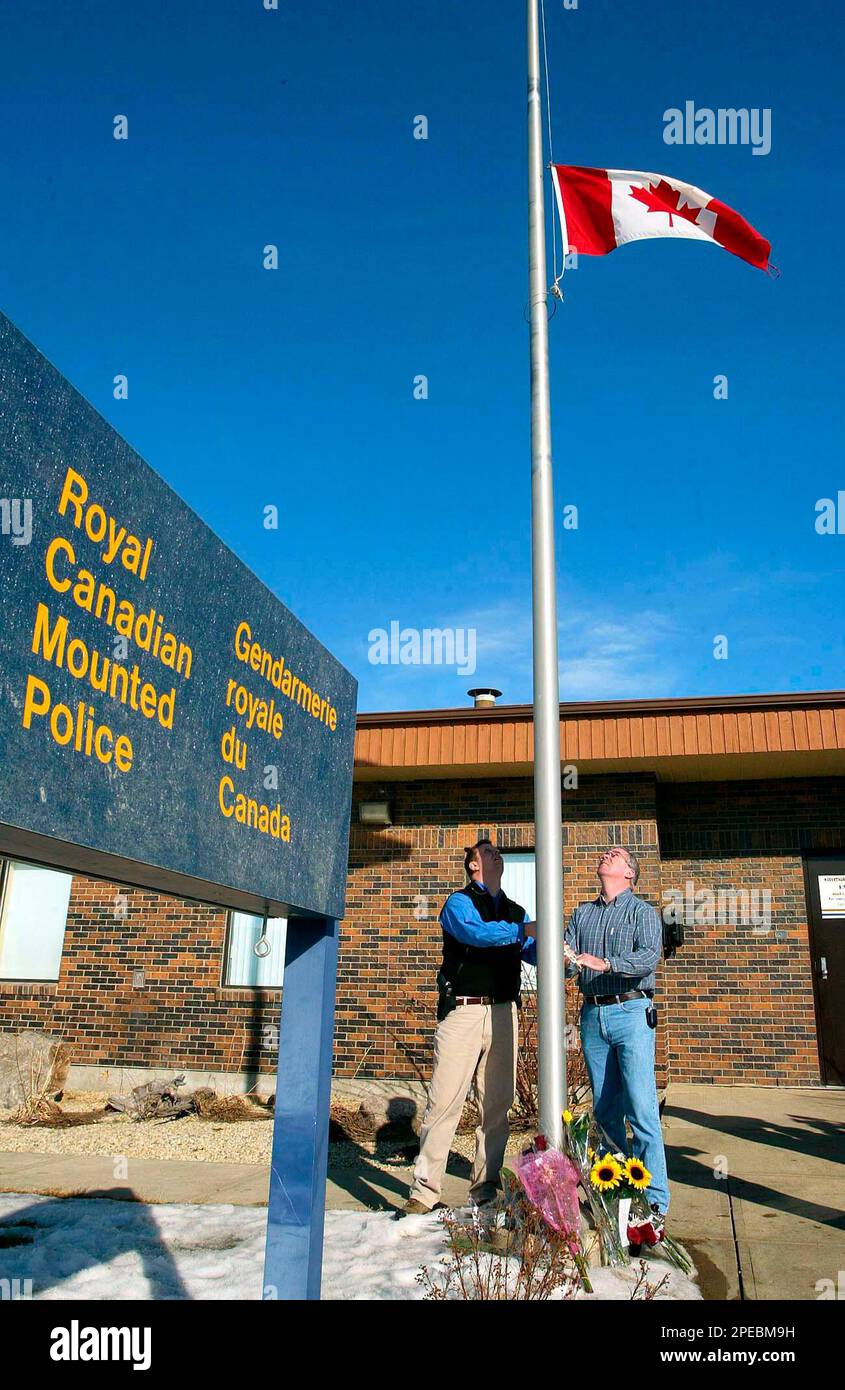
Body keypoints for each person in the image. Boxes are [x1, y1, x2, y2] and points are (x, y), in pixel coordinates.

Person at [400, 839, 536, 1216]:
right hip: (463, 1012)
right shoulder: (458, 904)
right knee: (445, 1102)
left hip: (504, 1012)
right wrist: (524, 931)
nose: (496, 855)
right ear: (474, 866)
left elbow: (531, 952)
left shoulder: (514, 911)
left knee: (496, 1106)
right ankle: (424, 1192)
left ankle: (485, 1189)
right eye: (487, 852)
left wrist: (562, 950)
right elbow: (476, 934)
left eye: (497, 853)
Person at [567, 845, 669, 1237]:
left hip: (631, 1013)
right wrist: (557, 956)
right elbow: (566, 961)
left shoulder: (642, 913)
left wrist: (606, 963)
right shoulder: (582, 913)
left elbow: (647, 959)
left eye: (617, 854)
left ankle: (655, 1203)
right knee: (605, 1111)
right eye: (606, 852)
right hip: (592, 1015)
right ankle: (618, 1195)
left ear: (630, 874)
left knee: (641, 1110)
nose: (607, 854)